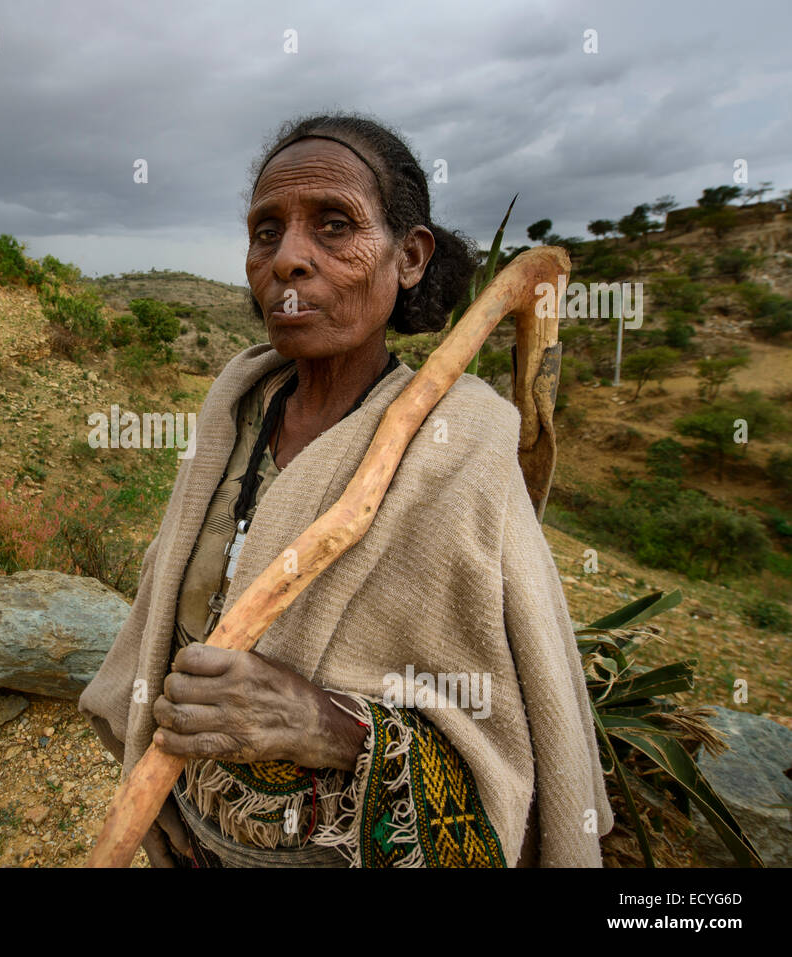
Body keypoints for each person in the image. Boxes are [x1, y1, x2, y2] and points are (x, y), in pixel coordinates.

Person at [79, 113, 612, 867]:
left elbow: (508, 744)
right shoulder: (233, 414)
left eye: (334, 225)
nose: (289, 258)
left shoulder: (465, 450)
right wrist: (155, 776)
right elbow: (162, 628)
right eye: (267, 232)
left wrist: (321, 721)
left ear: (411, 257)